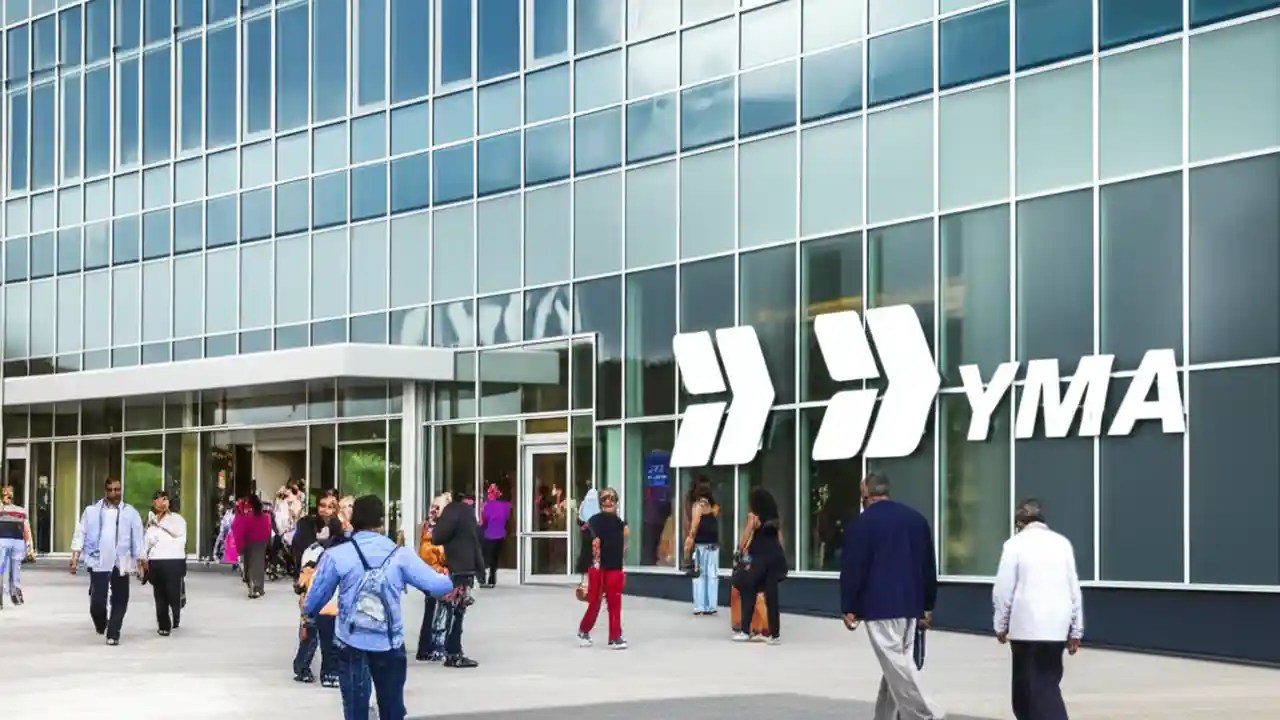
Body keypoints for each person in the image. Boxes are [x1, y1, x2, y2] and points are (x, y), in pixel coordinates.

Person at [304, 495, 455, 720]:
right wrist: (457, 576)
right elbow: (436, 586)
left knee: (355, 710)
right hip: (389, 644)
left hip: (351, 643)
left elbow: (315, 599)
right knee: (392, 708)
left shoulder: (337, 555)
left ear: (353, 520)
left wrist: (309, 616)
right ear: (382, 522)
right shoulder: (400, 555)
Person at [840, 472, 944, 720]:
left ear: (866, 494)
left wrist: (849, 606)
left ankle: (926, 713)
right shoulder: (916, 521)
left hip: (878, 607)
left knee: (897, 665)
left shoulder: (861, 525)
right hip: (910, 605)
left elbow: (854, 567)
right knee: (897, 663)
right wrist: (928, 604)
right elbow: (928, 566)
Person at [993, 499, 1084, 720]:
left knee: (1028, 690)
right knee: (1047, 681)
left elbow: (1004, 589)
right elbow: (1074, 588)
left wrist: (1000, 625)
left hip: (1026, 627)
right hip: (1056, 627)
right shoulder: (1062, 543)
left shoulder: (1014, 544)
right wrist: (1076, 630)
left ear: (1020, 521)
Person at [70, 477, 147, 646]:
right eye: (110, 490)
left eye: (117, 489)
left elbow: (138, 538)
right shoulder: (91, 511)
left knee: (120, 598)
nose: (114, 493)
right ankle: (101, 623)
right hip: (98, 560)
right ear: (105, 491)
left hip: (122, 560)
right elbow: (80, 533)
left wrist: (142, 560)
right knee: (97, 601)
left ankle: (113, 632)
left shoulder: (130, 512)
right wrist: (75, 556)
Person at [430, 493, 485, 668]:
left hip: (456, 568)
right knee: (458, 611)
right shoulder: (467, 512)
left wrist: (437, 521)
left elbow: (437, 537)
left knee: (454, 612)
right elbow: (475, 540)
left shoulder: (452, 512)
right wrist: (480, 568)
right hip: (466, 567)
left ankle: (452, 653)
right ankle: (454, 651)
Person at [295, 515, 346, 688]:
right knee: (320, 638)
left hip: (314, 598)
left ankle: (303, 667)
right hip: (322, 600)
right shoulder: (325, 552)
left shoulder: (313, 550)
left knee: (311, 636)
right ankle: (324, 672)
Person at [732, 487, 786, 643]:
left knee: (748, 588)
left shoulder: (754, 517)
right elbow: (780, 540)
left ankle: (744, 630)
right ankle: (774, 635)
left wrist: (740, 551)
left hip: (759, 559)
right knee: (772, 597)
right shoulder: (774, 519)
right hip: (775, 558)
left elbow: (744, 541)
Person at [577, 487, 628, 650]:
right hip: (597, 567)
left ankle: (615, 637)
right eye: (605, 499)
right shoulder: (594, 522)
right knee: (595, 602)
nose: (608, 502)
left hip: (614, 566)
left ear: (616, 502)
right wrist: (585, 572)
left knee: (615, 602)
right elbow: (587, 547)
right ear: (600, 503)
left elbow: (625, 542)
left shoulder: (620, 523)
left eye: (612, 499)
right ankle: (584, 630)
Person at [144, 490, 188, 636]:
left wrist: (159, 524)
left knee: (172, 594)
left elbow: (177, 532)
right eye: (158, 500)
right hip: (157, 561)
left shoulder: (177, 519)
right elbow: (147, 542)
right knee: (160, 595)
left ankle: (176, 611)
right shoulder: (151, 523)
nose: (162, 502)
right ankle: (163, 625)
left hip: (175, 561)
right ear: (153, 503)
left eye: (165, 499)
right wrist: (143, 558)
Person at [416, 493, 451, 662]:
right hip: (438, 573)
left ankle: (426, 647)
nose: (434, 510)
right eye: (434, 507)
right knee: (441, 610)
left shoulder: (429, 527)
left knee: (432, 610)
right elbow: (432, 552)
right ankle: (436, 646)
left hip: (432, 572)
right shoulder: (434, 529)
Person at [684, 479, 721, 615]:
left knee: (699, 575)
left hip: (701, 544)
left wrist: (689, 539)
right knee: (712, 574)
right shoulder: (712, 507)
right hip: (713, 544)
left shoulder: (697, 505)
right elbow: (716, 513)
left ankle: (700, 605)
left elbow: (694, 525)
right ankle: (711, 605)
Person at [233, 494, 272, 598]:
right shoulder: (266, 516)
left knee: (249, 563)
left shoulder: (246, 516)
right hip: (261, 540)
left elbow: (240, 528)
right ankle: (258, 587)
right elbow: (268, 529)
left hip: (249, 540)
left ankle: (252, 584)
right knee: (258, 563)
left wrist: (240, 546)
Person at [0, 484, 33, 608]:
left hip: (17, 541)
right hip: (3, 541)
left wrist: (29, 545)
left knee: (15, 568)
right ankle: (3, 594)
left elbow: (26, 528)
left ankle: (15, 593)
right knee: (2, 568)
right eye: (5, 492)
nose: (7, 494)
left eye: (9, 492)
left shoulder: (20, 510)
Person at [292, 493, 340, 573]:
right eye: (322, 506)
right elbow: (303, 546)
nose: (325, 510)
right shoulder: (306, 522)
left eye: (330, 507)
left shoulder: (337, 525)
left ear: (335, 510)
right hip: (309, 569)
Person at [477, 483, 512, 588]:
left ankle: (484, 579)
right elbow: (507, 520)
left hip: (489, 534)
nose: (489, 494)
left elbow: (482, 522)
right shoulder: (506, 506)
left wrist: (481, 510)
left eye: (491, 492)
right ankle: (491, 579)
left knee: (484, 557)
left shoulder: (488, 506)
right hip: (499, 534)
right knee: (494, 559)